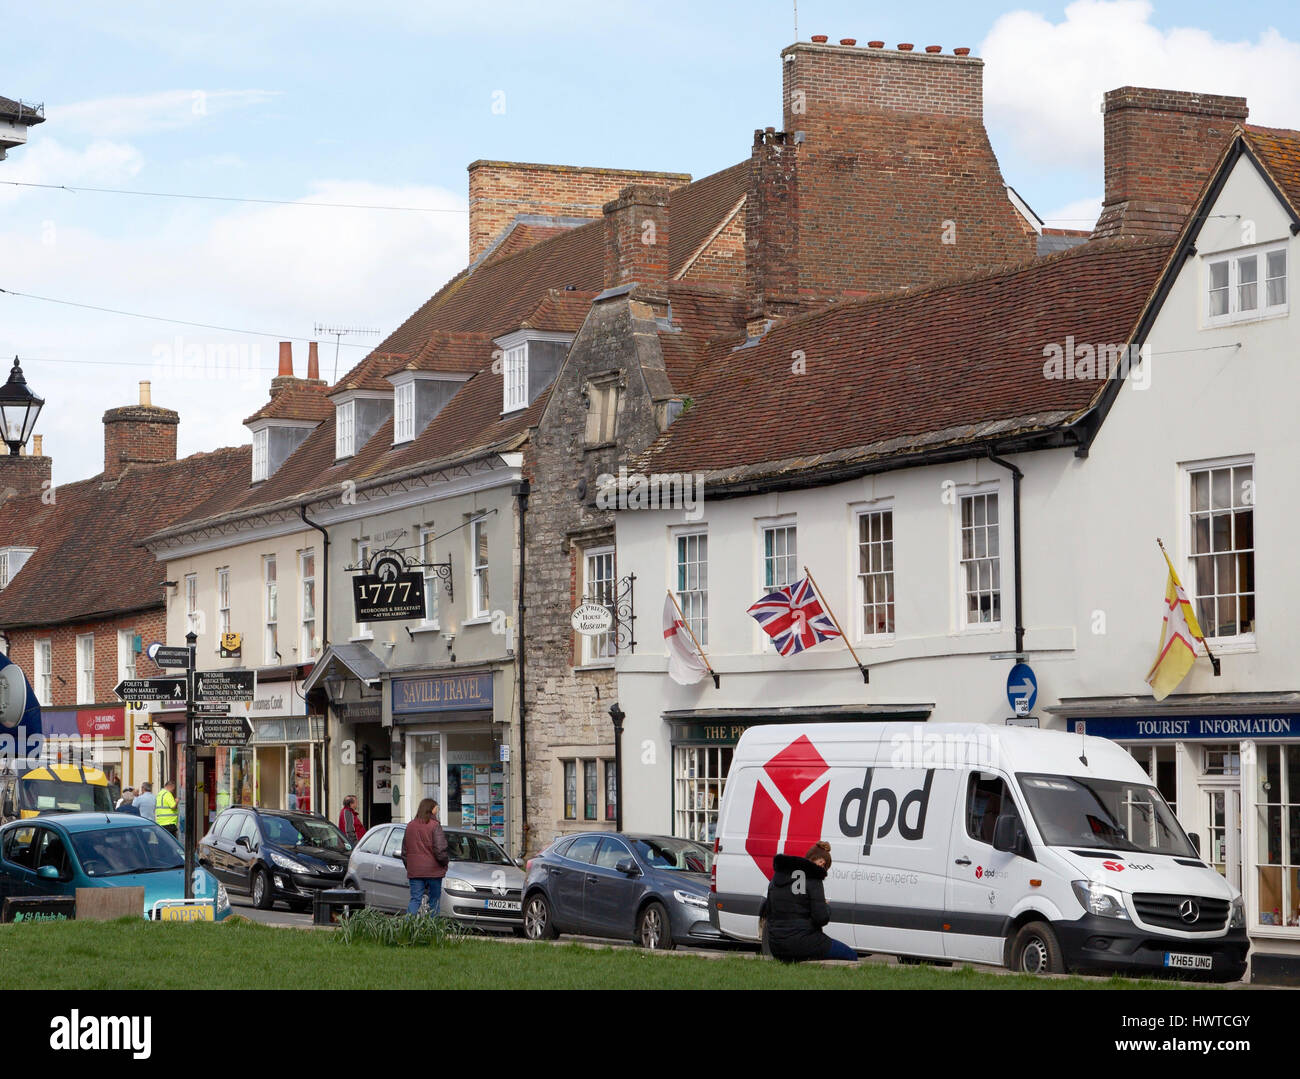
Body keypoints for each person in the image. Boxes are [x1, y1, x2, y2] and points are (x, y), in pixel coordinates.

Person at [765, 840, 857, 963]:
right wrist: (825, 907)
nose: (823, 869)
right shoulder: (814, 878)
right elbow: (821, 918)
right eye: (824, 865)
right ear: (821, 862)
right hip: (803, 943)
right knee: (851, 955)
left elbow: (769, 913)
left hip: (776, 946)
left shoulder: (776, 878)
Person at [400, 798, 449, 916]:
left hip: (415, 871)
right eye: (436, 807)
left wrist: (411, 867)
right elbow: (440, 849)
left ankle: (407, 929)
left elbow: (404, 852)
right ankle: (432, 930)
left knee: (415, 899)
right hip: (433, 871)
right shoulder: (435, 825)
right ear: (431, 809)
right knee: (434, 901)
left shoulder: (410, 826)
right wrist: (444, 864)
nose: (437, 810)